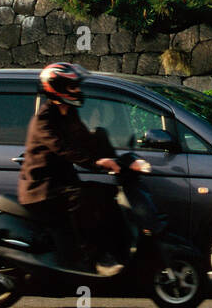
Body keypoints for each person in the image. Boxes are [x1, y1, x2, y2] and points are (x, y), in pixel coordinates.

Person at [18, 62, 146, 276]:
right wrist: (96, 163)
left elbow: (87, 141)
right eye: (72, 87)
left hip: (63, 184)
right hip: (42, 188)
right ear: (56, 87)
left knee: (108, 194)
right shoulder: (45, 119)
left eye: (77, 86)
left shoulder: (68, 114)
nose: (77, 90)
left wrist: (121, 160)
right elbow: (64, 149)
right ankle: (91, 257)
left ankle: (117, 252)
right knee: (85, 199)